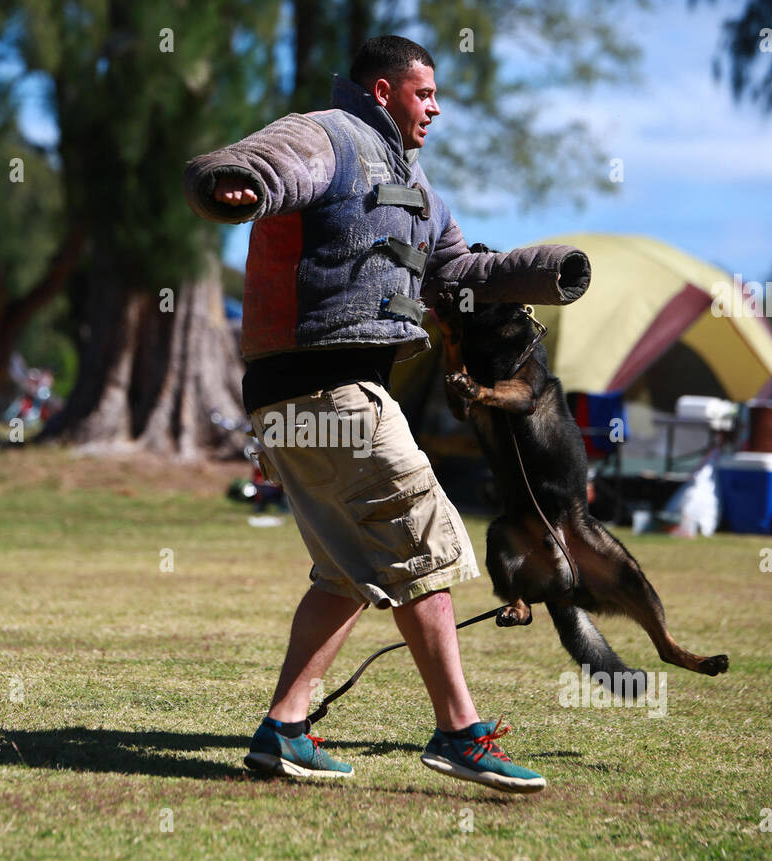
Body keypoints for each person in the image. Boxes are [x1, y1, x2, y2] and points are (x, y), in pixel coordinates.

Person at [183, 35, 591, 792]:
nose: (436, 107)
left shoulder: (420, 185)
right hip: (331, 390)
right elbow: (265, 164)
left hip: (290, 398)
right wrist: (234, 183)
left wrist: (542, 271)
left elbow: (457, 271)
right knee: (423, 543)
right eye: (424, 93)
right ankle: (461, 733)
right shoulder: (329, 135)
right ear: (381, 91)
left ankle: (284, 729)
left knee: (346, 569)